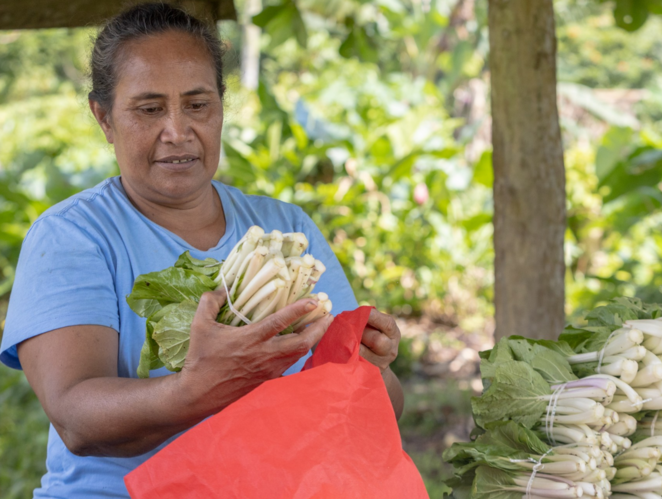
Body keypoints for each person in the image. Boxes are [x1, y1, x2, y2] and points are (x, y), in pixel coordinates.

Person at [0, 4, 403, 498]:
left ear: (220, 106)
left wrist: (368, 368)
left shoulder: (285, 230)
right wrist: (200, 388)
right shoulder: (73, 236)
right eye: (149, 109)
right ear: (104, 118)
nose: (177, 131)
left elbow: (380, 406)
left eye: (197, 104)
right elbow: (77, 420)